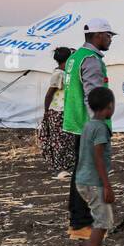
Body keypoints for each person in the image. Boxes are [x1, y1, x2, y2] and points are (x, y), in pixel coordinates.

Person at [62, 18, 115, 240]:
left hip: (75, 122)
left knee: (80, 172)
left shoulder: (75, 57)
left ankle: (79, 219)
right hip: (87, 124)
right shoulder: (91, 60)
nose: (110, 39)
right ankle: (80, 224)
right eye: (108, 35)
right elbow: (93, 95)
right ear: (97, 36)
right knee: (85, 174)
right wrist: (98, 125)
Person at [73, 86, 117, 246]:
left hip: (83, 180)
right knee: (102, 223)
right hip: (94, 183)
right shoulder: (100, 128)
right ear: (109, 107)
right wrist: (107, 186)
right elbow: (98, 158)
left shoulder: (89, 125)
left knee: (98, 221)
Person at [37, 46, 77, 178]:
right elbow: (49, 94)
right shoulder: (58, 74)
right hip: (57, 111)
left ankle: (66, 166)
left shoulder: (67, 72)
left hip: (66, 110)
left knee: (67, 139)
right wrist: (46, 111)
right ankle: (59, 168)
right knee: (58, 140)